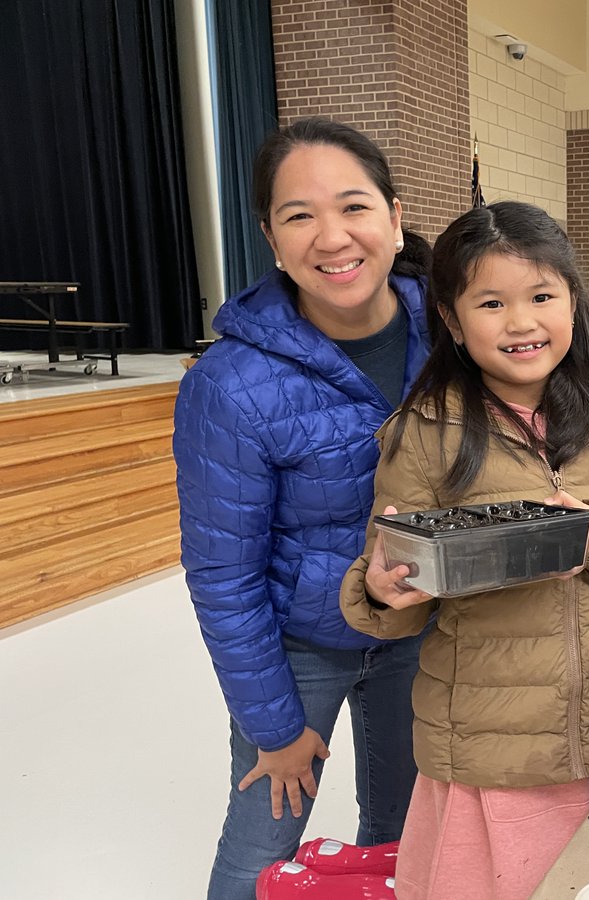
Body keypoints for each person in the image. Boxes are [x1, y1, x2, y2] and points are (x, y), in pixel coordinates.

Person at [339, 200, 589, 899]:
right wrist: (384, 588)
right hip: (484, 755)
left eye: (542, 296)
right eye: (491, 302)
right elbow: (387, 591)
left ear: (573, 299)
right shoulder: (424, 432)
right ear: (450, 318)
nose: (521, 322)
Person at [173, 117, 432, 899]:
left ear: (393, 215)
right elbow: (223, 574)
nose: (332, 236)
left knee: (408, 834)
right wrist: (276, 727)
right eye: (298, 215)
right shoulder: (228, 385)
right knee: (260, 851)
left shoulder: (452, 330)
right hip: (299, 650)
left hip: (422, 631)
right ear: (270, 236)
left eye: (353, 206)